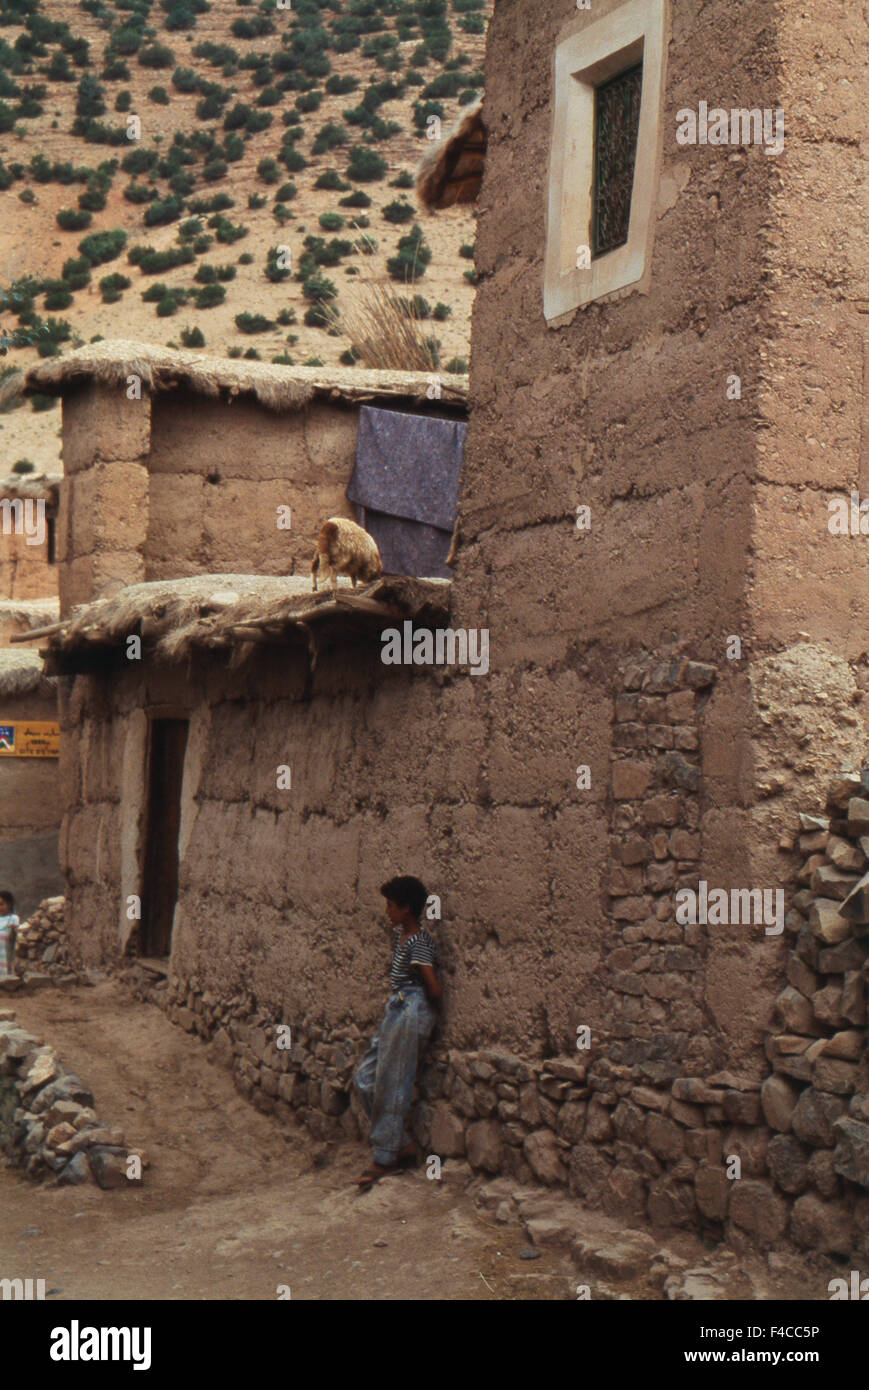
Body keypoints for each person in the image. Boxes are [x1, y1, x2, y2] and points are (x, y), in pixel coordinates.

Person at [353, 875, 441, 1190]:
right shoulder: (400, 936)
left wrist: (418, 1012)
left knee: (393, 1081)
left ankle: (385, 1158)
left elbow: (434, 987)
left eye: (391, 905)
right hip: (397, 1007)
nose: (387, 911)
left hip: (410, 1009)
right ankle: (400, 1143)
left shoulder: (419, 943)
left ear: (407, 909)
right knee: (365, 1078)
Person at [0, 890, 19, 980]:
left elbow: (14, 935)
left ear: (9, 904)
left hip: (7, 952)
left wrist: (12, 929)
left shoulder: (13, 918)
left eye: (1, 904)